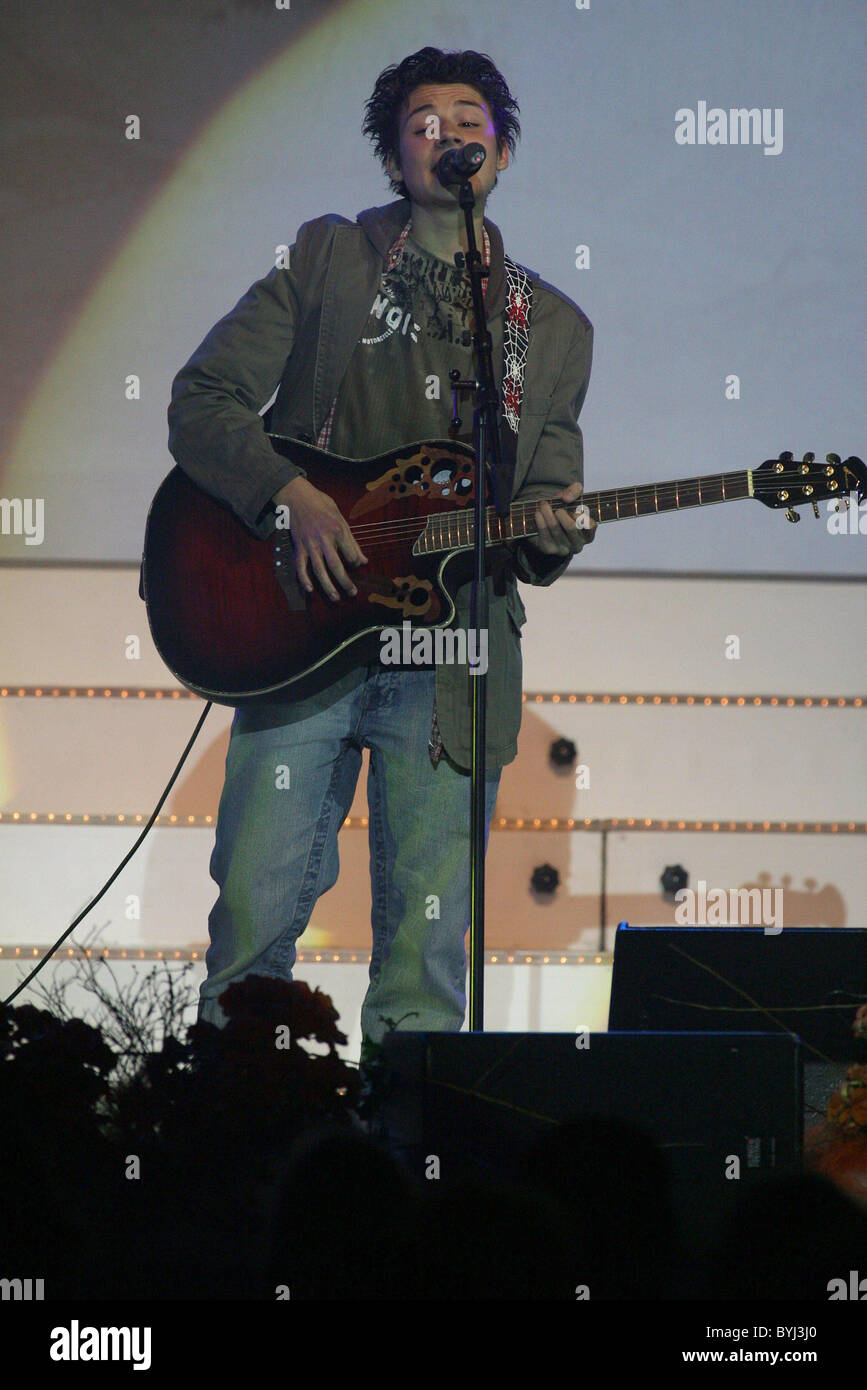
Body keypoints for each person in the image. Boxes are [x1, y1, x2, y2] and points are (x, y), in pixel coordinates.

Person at [166, 47, 595, 1063]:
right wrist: (291, 494)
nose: (449, 130)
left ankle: (413, 1165)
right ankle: (236, 1143)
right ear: (397, 158)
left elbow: (545, 502)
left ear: (503, 147)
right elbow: (203, 400)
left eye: (470, 114)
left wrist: (553, 528)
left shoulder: (555, 330)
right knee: (255, 917)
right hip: (300, 629)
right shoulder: (329, 259)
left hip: (453, 662)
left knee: (426, 952)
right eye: (423, 120)